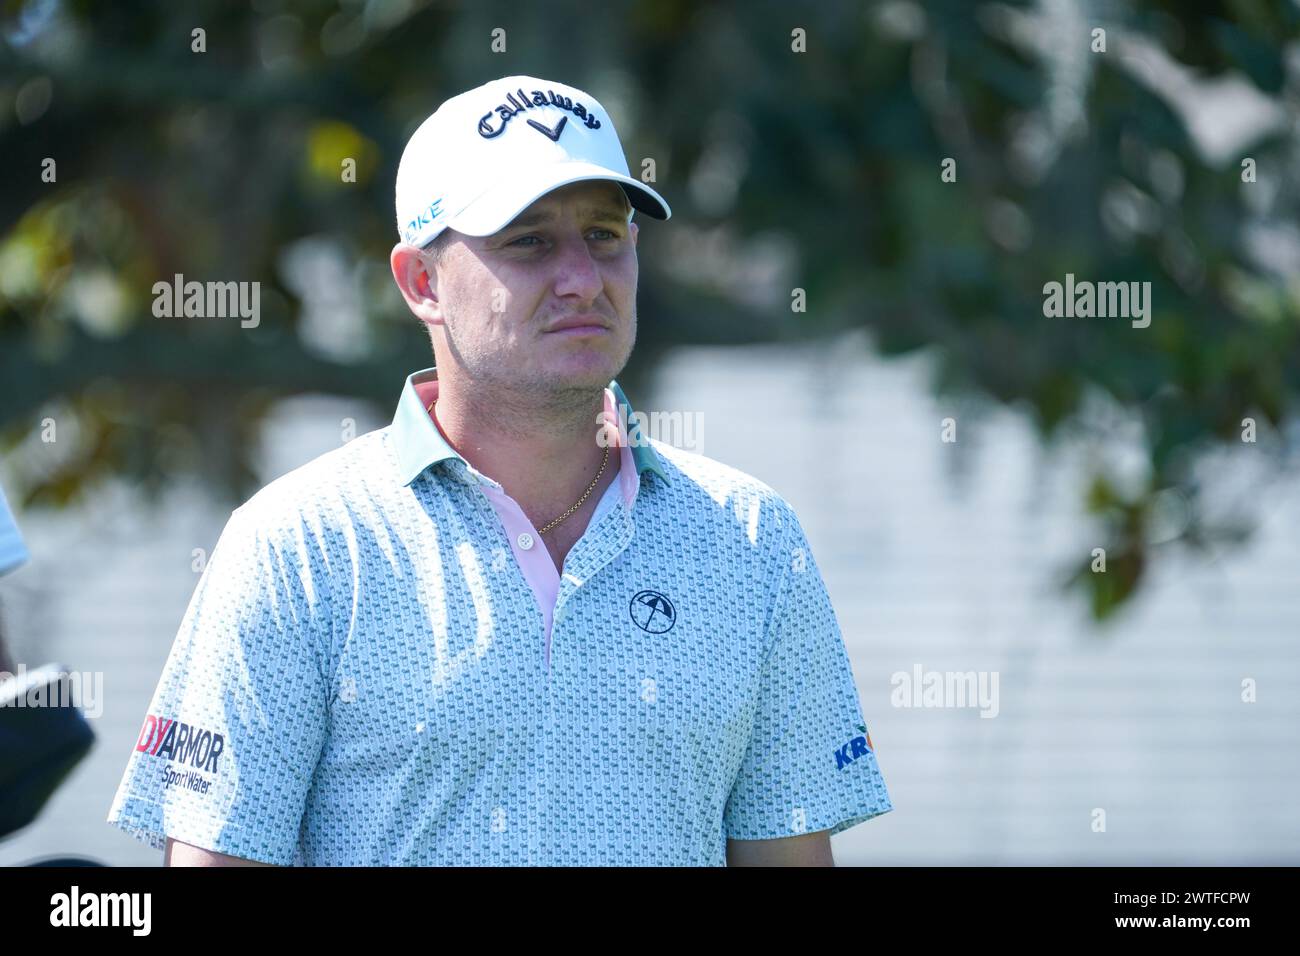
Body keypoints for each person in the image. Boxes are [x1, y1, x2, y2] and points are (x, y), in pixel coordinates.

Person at [105, 74, 893, 867]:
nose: (583, 278)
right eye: (529, 241)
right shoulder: (295, 547)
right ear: (422, 283)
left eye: (605, 235)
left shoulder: (751, 540)